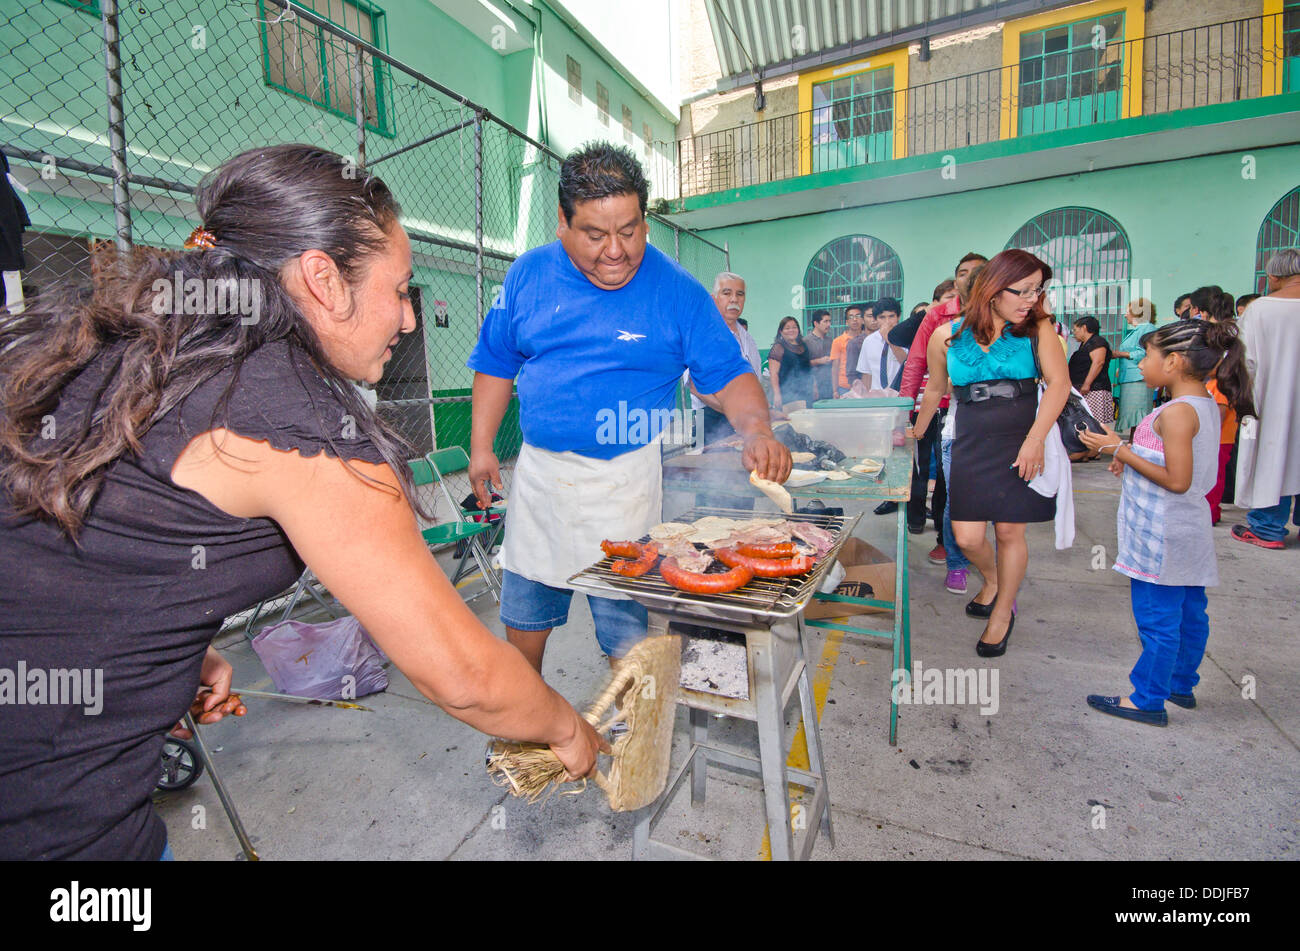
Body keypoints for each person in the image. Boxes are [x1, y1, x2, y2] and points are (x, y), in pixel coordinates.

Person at [0, 145, 611, 860]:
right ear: (323, 279)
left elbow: (100, 533)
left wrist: (167, 646)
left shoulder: (156, 348)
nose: (410, 320)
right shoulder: (296, 417)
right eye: (400, 289)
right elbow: (463, 672)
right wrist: (568, 728)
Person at [468, 143, 791, 673]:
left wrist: (757, 428)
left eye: (630, 230)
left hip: (627, 483)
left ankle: (633, 738)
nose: (615, 250)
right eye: (595, 234)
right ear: (562, 223)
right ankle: (522, 734)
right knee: (525, 622)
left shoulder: (678, 292)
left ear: (645, 219)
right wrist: (482, 448)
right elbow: (496, 363)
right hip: (542, 481)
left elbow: (731, 374)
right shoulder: (527, 277)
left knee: (628, 638)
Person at [1080, 319, 1255, 726]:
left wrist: (1118, 450)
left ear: (1174, 361)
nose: (1140, 364)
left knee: (1158, 619)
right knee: (1191, 613)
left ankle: (1147, 698)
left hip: (1161, 534)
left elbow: (1178, 480)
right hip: (1187, 531)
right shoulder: (1203, 405)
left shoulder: (1176, 413)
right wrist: (1129, 457)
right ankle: (1180, 683)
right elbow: (1175, 463)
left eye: (1148, 356)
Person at [910, 249, 1070, 656]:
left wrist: (1035, 440)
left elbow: (1059, 385)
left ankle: (1002, 612)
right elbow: (934, 389)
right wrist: (915, 430)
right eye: (1024, 291)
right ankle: (995, 579)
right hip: (971, 439)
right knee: (966, 536)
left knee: (1008, 531)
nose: (1032, 299)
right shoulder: (946, 336)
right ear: (995, 289)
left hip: (1021, 438)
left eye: (1038, 291)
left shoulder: (1038, 331)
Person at [896, 254, 988, 588]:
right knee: (946, 483)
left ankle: (994, 578)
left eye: (977, 272)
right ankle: (952, 552)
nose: (970, 278)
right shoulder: (937, 318)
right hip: (945, 412)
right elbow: (917, 364)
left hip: (1000, 425)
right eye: (962, 273)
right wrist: (908, 415)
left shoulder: (1010, 319)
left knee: (992, 507)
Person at [1232, 249, 1300, 549]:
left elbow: (1245, 363)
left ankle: (1267, 527)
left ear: (1274, 276)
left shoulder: (1260, 310)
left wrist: (1242, 401)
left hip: (1272, 400)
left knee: (1272, 458)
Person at [889, 280, 959, 553]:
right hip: (920, 408)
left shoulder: (963, 325)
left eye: (954, 297)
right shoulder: (928, 322)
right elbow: (897, 335)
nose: (952, 302)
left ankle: (943, 537)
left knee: (944, 473)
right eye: (947, 297)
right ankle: (915, 518)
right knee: (917, 469)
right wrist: (928, 311)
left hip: (948, 408)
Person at [687, 271, 763, 444]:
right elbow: (694, 387)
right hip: (708, 424)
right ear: (714, 299)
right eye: (727, 293)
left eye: (740, 294)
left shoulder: (747, 339)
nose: (734, 299)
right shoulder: (702, 334)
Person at [1068, 316, 1115, 459]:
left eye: (1075, 330)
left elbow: (1098, 362)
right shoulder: (1086, 344)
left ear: (1084, 328)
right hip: (1083, 388)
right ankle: (1089, 450)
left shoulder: (1097, 342)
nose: (1074, 333)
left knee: (1094, 420)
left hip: (1094, 388)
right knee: (1086, 420)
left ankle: (1093, 450)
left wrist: (1087, 383)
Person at [1114, 298, 1157, 434]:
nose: (1126, 315)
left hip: (1138, 377)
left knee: (1139, 414)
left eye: (1127, 312)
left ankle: (1138, 442)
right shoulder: (1138, 329)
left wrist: (1120, 353)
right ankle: (1134, 442)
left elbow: (1145, 352)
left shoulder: (1147, 328)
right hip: (1130, 377)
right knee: (1134, 414)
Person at [768, 315, 817, 410]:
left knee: (807, 422)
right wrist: (777, 395)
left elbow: (808, 368)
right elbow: (774, 374)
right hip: (788, 394)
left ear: (798, 330)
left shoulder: (803, 345)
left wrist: (814, 385)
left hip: (806, 392)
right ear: (781, 332)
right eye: (787, 328)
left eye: (794, 327)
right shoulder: (778, 348)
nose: (791, 330)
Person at [856, 297, 904, 391]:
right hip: (876, 396)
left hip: (900, 396)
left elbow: (906, 364)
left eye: (891, 316)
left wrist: (889, 340)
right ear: (876, 319)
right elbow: (867, 373)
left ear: (898, 317)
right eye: (882, 317)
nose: (887, 321)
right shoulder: (869, 341)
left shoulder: (906, 337)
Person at [830, 305, 864, 397]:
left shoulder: (868, 340)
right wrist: (835, 391)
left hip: (864, 385)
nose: (855, 319)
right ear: (846, 322)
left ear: (863, 320)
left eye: (858, 316)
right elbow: (835, 367)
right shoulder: (837, 341)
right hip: (844, 387)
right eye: (851, 317)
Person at [844, 302, 877, 387]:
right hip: (865, 392)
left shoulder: (886, 340)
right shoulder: (855, 343)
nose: (874, 319)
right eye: (869, 316)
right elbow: (851, 374)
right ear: (862, 320)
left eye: (876, 316)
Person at [804, 309, 834, 401]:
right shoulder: (806, 341)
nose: (828, 325)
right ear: (816, 323)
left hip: (829, 385)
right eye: (825, 321)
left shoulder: (830, 341)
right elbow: (802, 364)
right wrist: (819, 361)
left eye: (829, 321)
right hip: (813, 385)